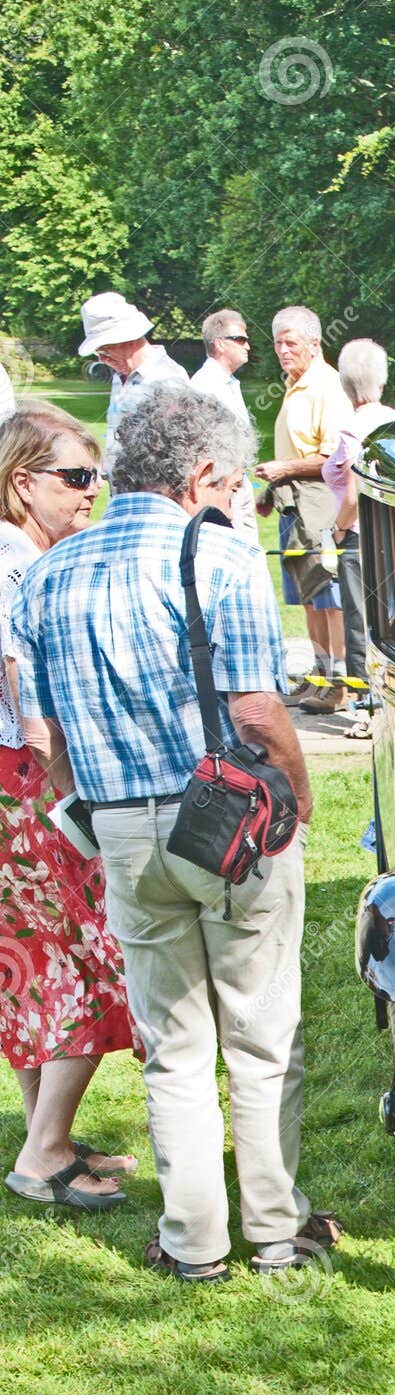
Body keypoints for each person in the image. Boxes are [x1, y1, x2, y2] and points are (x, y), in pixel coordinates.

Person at [12, 384, 336, 1282]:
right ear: (198, 474)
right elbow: (260, 709)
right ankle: (275, 1230)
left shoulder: (48, 572)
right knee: (263, 1037)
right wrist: (298, 800)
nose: (234, 499)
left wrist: (92, 807)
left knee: (175, 1046)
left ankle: (195, 1244)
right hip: (229, 824)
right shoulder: (221, 556)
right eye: (230, 484)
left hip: (120, 829)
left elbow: (41, 736)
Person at [0, 403, 137, 1212]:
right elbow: (26, 694)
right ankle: (44, 1153)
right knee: (90, 960)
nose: (92, 494)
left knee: (30, 966)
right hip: (30, 786)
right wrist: (70, 797)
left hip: (12, 785)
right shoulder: (20, 566)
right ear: (23, 484)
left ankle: (38, 1132)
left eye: (98, 478)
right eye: (76, 478)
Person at [256, 306, 355, 711]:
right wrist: (272, 487)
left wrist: (286, 469)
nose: (282, 350)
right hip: (293, 504)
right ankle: (318, 677)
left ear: (315, 344)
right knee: (310, 599)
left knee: (329, 597)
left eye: (290, 342)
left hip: (319, 504)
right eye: (278, 342)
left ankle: (340, 684)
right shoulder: (295, 384)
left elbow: (335, 458)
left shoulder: (326, 387)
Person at [318, 340, 395, 728]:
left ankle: (368, 705)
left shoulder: (353, 428)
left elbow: (351, 492)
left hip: (359, 537)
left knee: (360, 620)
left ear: (346, 385)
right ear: (382, 381)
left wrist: (336, 531)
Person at [78, 291, 189, 473]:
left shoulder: (168, 378)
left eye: (105, 350)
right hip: (123, 490)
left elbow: (176, 450)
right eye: (97, 353)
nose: (102, 359)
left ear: (127, 339)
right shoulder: (120, 376)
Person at [190, 309, 259, 543]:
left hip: (235, 483)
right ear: (219, 344)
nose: (247, 346)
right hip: (221, 487)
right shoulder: (206, 386)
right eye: (240, 339)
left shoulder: (227, 382)